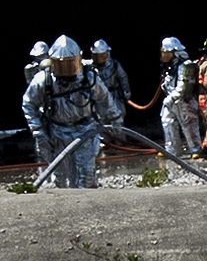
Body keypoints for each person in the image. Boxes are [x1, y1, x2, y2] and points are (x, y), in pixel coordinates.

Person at [22, 36, 120, 187]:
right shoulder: (44, 80)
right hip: (57, 134)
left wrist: (115, 118)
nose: (66, 70)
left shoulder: (89, 78)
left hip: (85, 131)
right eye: (61, 66)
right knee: (61, 178)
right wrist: (39, 132)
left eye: (70, 64)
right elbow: (29, 104)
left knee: (86, 175)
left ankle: (88, 206)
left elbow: (104, 98)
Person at [159, 36, 200, 161]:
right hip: (171, 101)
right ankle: (172, 150)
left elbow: (183, 86)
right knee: (167, 122)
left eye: (166, 52)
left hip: (183, 101)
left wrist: (171, 97)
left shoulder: (184, 66)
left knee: (188, 125)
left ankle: (195, 149)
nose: (164, 55)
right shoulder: (169, 67)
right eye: (163, 52)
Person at [90, 39, 130, 112]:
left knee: (117, 117)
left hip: (114, 97)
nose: (101, 57)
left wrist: (126, 90)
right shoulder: (90, 68)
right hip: (98, 100)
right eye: (99, 55)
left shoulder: (114, 65)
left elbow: (123, 77)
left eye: (103, 55)